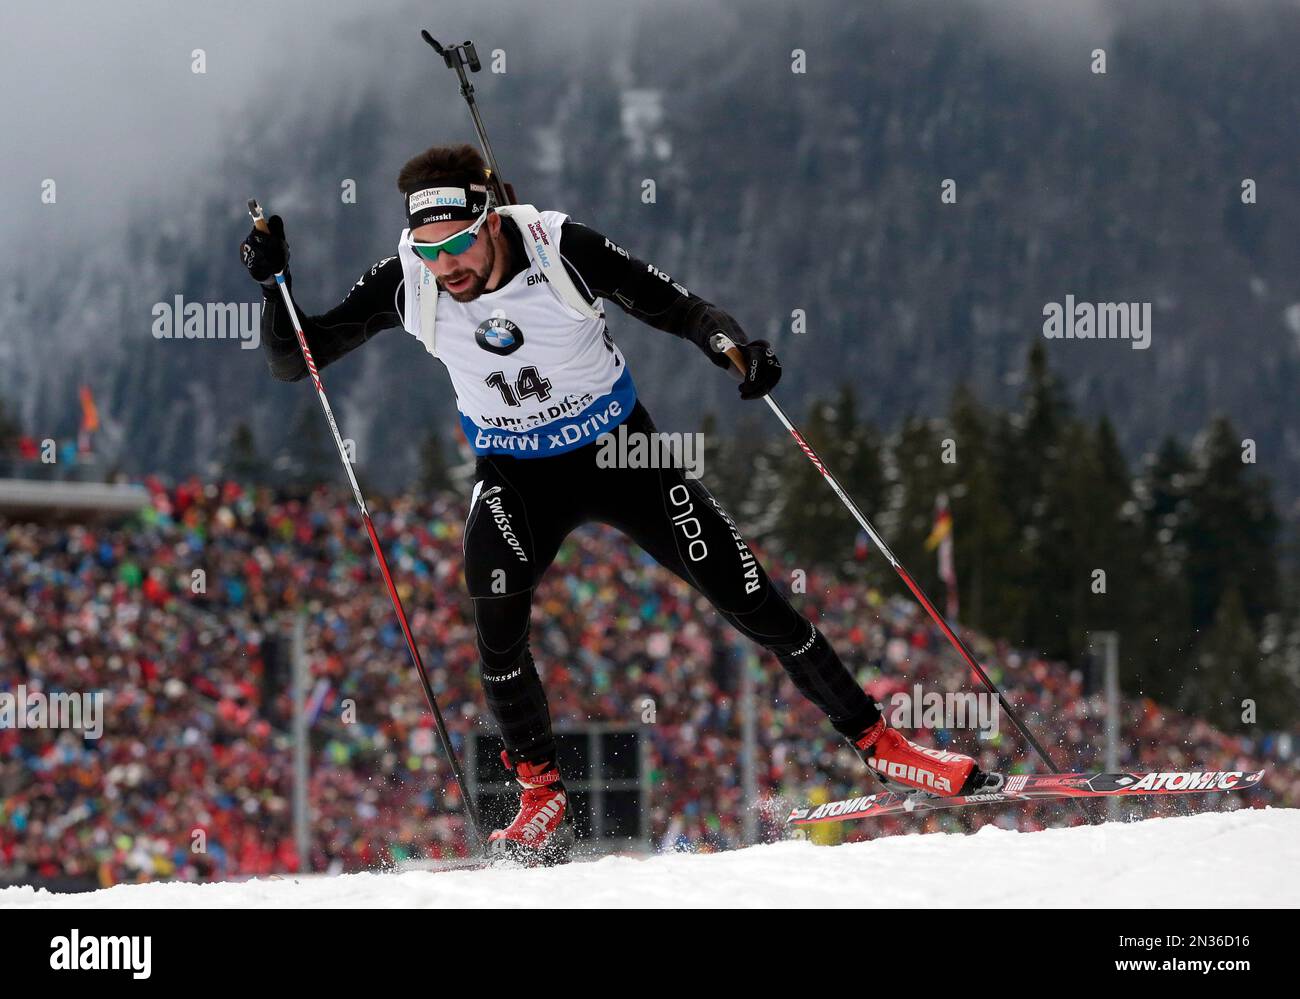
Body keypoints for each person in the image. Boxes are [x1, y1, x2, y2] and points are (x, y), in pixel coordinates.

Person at [240, 143, 999, 864]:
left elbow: (677, 307)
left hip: (621, 456)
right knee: (496, 619)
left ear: (491, 221)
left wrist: (734, 348)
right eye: (428, 249)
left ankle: (882, 746)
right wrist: (275, 288)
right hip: (516, 473)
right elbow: (290, 359)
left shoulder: (556, 245)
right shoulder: (408, 278)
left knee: (751, 598)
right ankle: (541, 791)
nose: (446, 267)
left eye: (458, 246)